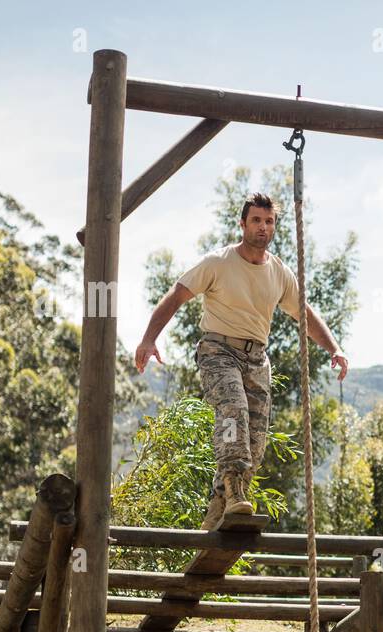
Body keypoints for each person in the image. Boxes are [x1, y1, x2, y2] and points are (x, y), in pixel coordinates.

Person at [133, 192, 348, 529]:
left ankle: (220, 505)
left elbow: (303, 313)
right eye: (256, 220)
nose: (263, 227)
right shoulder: (217, 263)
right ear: (243, 224)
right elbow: (177, 295)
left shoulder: (279, 273)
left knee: (256, 441)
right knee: (233, 411)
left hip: (257, 360)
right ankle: (234, 492)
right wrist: (148, 339)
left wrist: (333, 347)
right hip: (218, 352)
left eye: (269, 221)